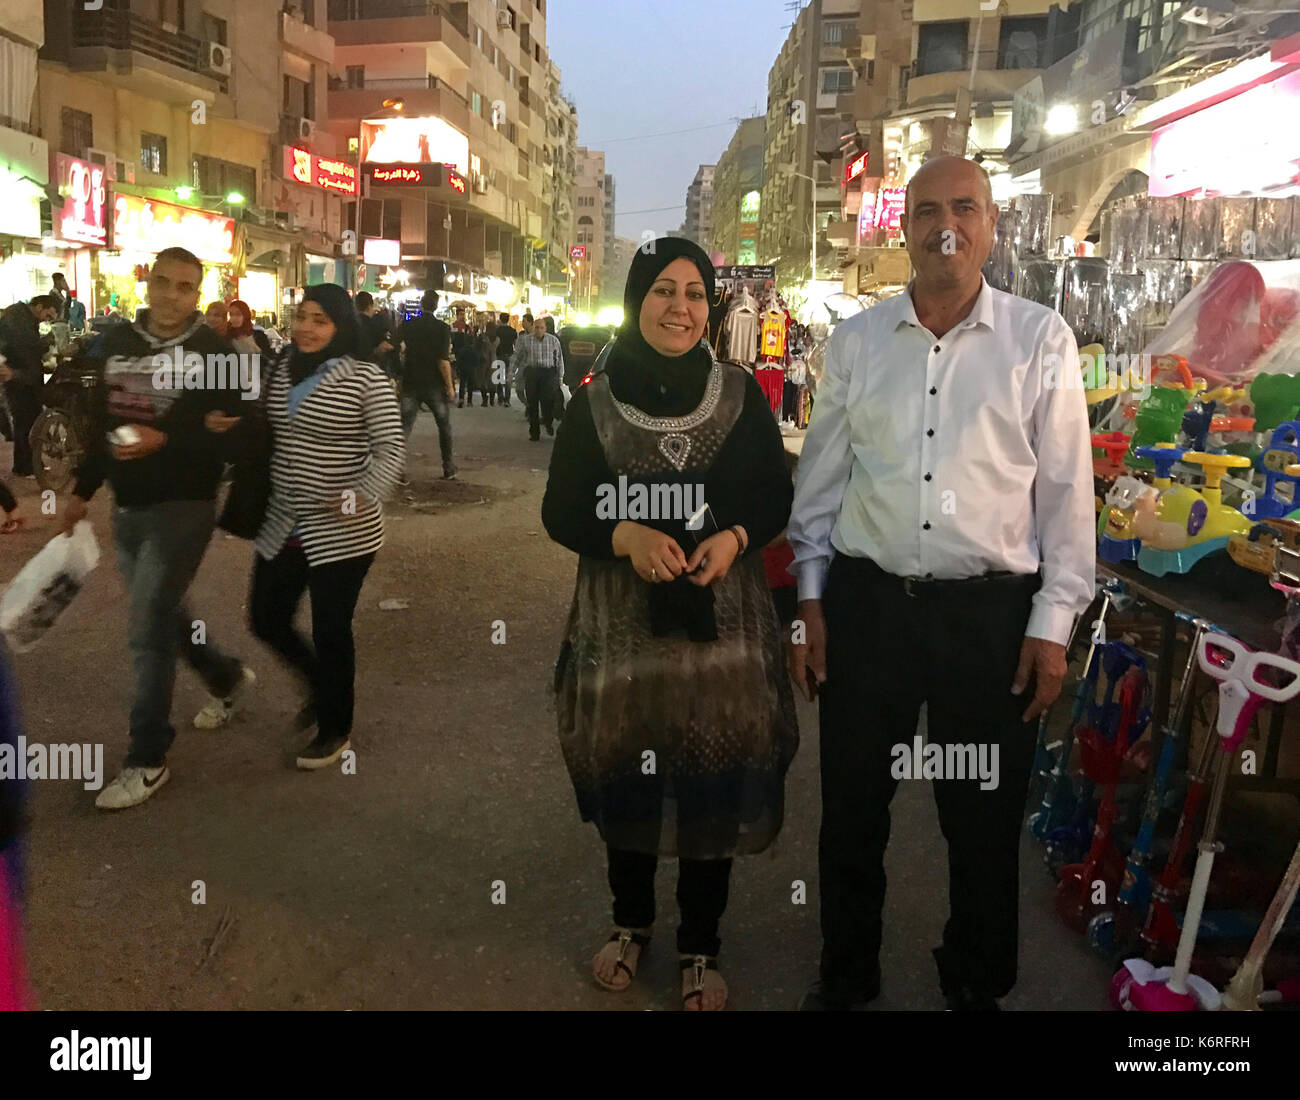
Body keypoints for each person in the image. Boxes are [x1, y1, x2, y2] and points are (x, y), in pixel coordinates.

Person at [787, 156, 1095, 1012]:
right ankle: (846, 978)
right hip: (870, 607)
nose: (944, 224)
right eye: (927, 210)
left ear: (991, 224)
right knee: (853, 812)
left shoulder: (1040, 340)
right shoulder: (855, 343)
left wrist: (1053, 624)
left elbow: (1069, 495)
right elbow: (821, 487)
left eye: (964, 207)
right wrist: (809, 606)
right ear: (905, 227)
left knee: (982, 820)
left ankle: (975, 981)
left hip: (989, 622)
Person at [542, 237, 798, 1011]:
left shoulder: (740, 393)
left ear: (710, 307)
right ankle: (630, 923)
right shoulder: (595, 397)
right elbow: (561, 506)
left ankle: (700, 943)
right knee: (627, 770)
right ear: (636, 299)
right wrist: (621, 534)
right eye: (662, 291)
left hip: (722, 630)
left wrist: (736, 537)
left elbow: (771, 496)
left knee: (711, 779)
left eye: (693, 293)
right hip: (622, 631)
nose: (679, 307)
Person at [60, 247, 257, 810]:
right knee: (166, 614)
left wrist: (168, 438)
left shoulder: (215, 353)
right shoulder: (117, 342)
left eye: (186, 288)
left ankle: (147, 758)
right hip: (128, 507)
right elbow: (104, 421)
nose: (172, 297)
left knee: (147, 628)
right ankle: (225, 678)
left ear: (199, 294)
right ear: (148, 283)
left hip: (185, 506)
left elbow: (237, 436)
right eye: (164, 283)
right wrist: (80, 492)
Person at [248, 284, 405, 769]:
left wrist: (359, 495)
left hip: (345, 528)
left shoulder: (366, 378)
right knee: (266, 618)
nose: (306, 328)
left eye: (320, 319)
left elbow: (390, 451)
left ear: (341, 326)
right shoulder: (281, 368)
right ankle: (320, 686)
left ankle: (337, 728)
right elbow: (270, 432)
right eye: (301, 317)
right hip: (284, 520)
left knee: (331, 626)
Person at [397, 289, 457, 480]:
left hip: (411, 381)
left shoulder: (408, 325)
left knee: (404, 428)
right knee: (444, 426)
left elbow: (396, 348)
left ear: (422, 305)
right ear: (436, 306)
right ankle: (448, 466)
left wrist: (399, 373)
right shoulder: (442, 329)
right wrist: (450, 387)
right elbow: (443, 360)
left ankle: (397, 469)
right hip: (434, 385)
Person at [0, 294, 59, 477]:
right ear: (40, 306)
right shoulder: (16, 318)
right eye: (48, 316)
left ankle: (29, 464)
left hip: (24, 378)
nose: (46, 320)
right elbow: (22, 349)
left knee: (30, 420)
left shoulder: (24, 317)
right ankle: (25, 466)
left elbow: (28, 348)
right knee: (25, 422)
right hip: (18, 379)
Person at [511, 315, 563, 441]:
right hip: (532, 373)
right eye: (537, 327)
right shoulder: (526, 340)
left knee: (547, 401)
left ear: (545, 329)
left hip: (547, 374)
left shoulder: (553, 341)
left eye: (541, 327)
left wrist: (560, 377)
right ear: (533, 328)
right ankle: (534, 432)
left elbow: (559, 360)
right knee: (532, 403)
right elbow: (517, 357)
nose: (539, 330)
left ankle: (548, 422)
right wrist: (510, 373)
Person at [355, 290, 397, 377]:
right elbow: (385, 345)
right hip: (370, 369)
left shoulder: (349, 325)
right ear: (370, 306)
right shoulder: (375, 324)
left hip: (352, 369)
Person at [493, 312, 516, 406]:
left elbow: (496, 343)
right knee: (508, 378)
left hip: (499, 355)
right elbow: (515, 344)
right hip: (510, 355)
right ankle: (507, 400)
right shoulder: (513, 331)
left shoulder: (497, 331)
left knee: (499, 377)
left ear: (500, 319)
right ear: (508, 320)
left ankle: (500, 398)